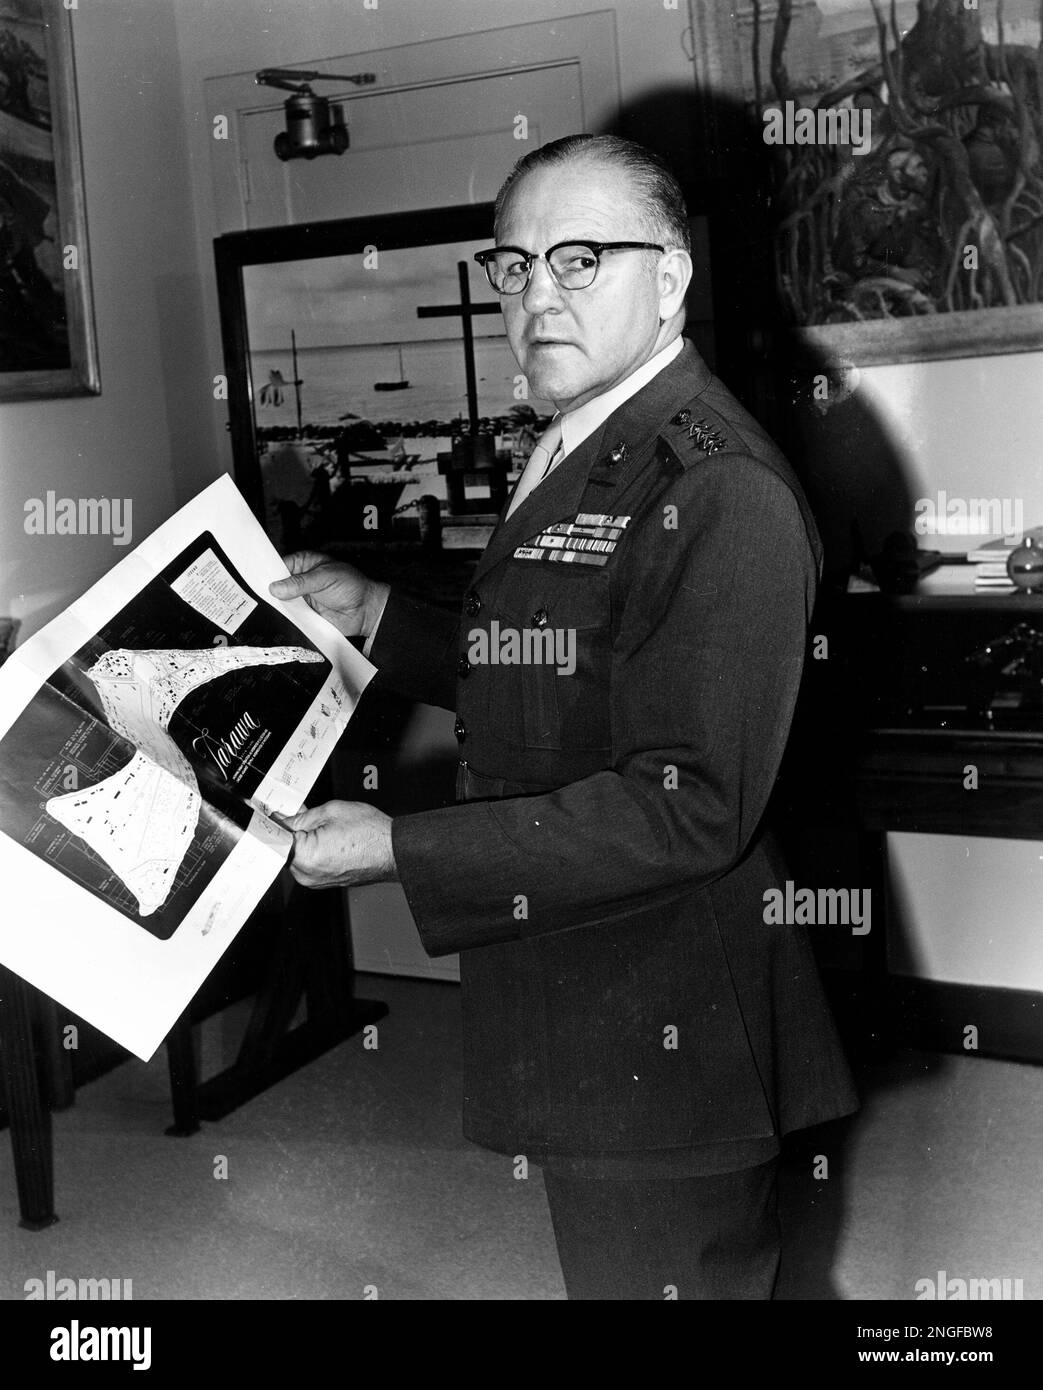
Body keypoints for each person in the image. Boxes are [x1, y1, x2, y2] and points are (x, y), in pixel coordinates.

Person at [269, 134, 858, 1301]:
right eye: (514, 266)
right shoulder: (591, 437)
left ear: (672, 277)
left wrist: (397, 848)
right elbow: (561, 668)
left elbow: (685, 806)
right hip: (588, 977)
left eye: (579, 260)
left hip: (664, 1009)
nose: (537, 298)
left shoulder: (714, 485)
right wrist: (385, 614)